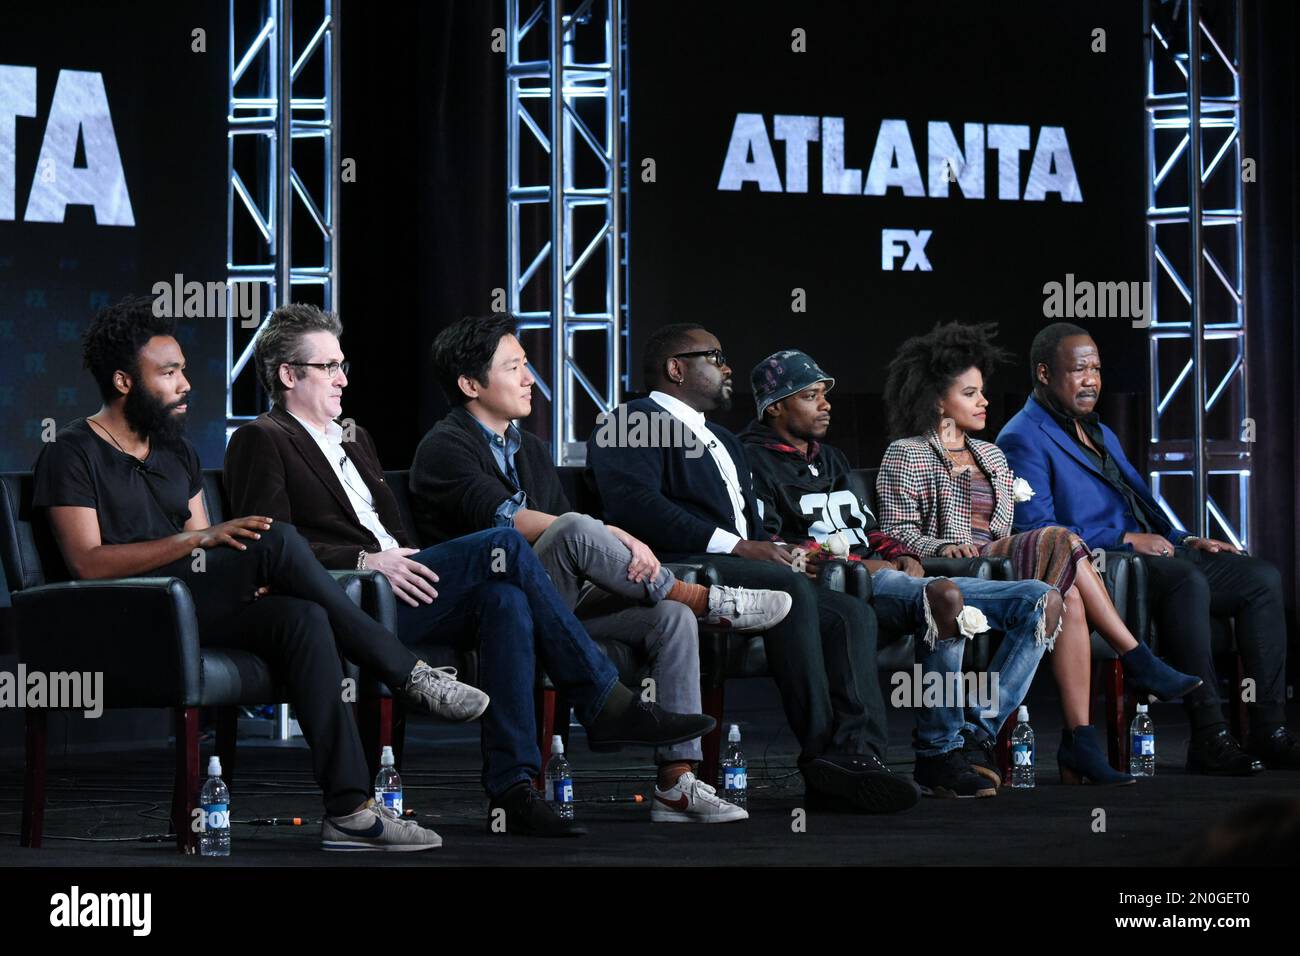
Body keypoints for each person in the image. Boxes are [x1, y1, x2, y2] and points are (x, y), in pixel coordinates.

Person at [224, 303, 715, 838]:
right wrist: (364, 561)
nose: (343, 378)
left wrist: (395, 556)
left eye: (344, 364)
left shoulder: (353, 437)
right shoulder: (262, 438)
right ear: (288, 374)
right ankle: (599, 698)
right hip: (354, 597)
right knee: (502, 542)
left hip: (411, 583)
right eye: (328, 367)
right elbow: (267, 545)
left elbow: (392, 533)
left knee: (504, 601)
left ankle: (514, 789)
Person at [34, 296, 448, 851]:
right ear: (123, 381)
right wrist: (197, 542)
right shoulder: (71, 453)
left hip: (192, 603)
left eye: (183, 369)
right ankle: (404, 668)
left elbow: (216, 542)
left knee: (301, 616)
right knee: (277, 535)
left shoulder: (173, 451)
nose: (185, 383)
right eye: (169, 373)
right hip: (127, 613)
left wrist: (235, 565)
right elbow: (87, 562)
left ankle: (350, 810)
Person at [410, 315, 792, 824]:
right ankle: (704, 599)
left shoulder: (532, 448)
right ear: (471, 384)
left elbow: (565, 555)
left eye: (527, 366)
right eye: (515, 368)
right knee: (573, 530)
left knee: (668, 620)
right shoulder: (445, 446)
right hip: (489, 608)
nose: (530, 379)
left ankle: (677, 783)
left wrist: (608, 547)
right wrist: (609, 532)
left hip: (551, 600)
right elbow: (508, 522)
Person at [586, 323, 921, 813]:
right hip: (678, 569)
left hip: (742, 564)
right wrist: (740, 548)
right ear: (676, 368)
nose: (728, 368)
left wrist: (772, 550)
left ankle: (859, 756)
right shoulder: (630, 419)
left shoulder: (723, 437)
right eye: (714, 357)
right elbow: (635, 506)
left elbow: (752, 530)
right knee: (787, 589)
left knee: (851, 614)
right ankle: (822, 757)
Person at [877, 322, 1202, 785]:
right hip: (948, 568)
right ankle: (1135, 658)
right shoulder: (906, 455)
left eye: (983, 392)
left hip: (998, 560)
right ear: (937, 402)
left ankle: (1082, 736)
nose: (984, 402)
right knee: (1060, 558)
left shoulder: (991, 455)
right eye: (970, 394)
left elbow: (1008, 530)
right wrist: (943, 546)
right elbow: (896, 533)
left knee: (1064, 589)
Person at [740, 349, 1056, 798]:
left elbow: (869, 529)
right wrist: (854, 564)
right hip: (840, 590)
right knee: (943, 596)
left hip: (889, 576)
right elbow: (772, 548)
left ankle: (975, 733)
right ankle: (937, 753)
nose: (826, 404)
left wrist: (903, 553)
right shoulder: (752, 462)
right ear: (775, 406)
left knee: (1041, 600)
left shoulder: (830, 459)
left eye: (825, 395)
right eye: (811, 396)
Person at [998, 321, 1298, 773]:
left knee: (1260, 577)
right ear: (1044, 373)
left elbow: (1141, 505)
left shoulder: (1098, 431)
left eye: (1097, 369)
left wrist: (1185, 538)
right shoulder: (1022, 436)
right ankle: (1209, 733)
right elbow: (1038, 529)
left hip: (1147, 554)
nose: (1092, 380)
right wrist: (1123, 539)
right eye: (1080, 369)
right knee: (1185, 578)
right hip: (1102, 564)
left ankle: (1268, 728)